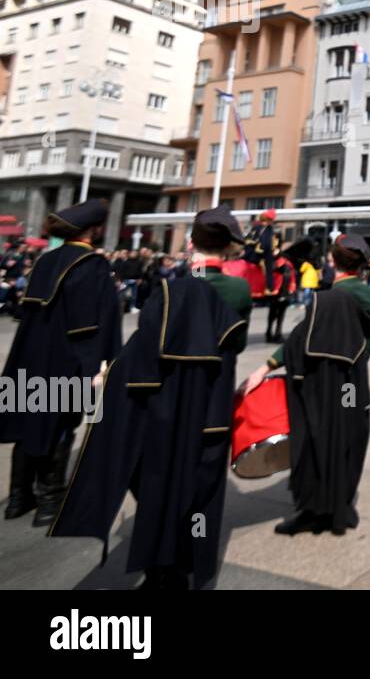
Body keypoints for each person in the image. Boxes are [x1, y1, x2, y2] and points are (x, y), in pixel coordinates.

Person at [52, 205, 252, 589]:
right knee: (199, 487)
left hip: (162, 401)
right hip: (209, 403)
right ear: (227, 248)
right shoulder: (238, 290)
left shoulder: (168, 288)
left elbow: (147, 341)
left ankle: (161, 564)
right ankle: (189, 560)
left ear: (191, 242)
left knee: (157, 479)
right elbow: (237, 343)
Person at [242, 234, 370, 535]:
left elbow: (298, 341)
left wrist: (265, 367)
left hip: (320, 385)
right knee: (347, 442)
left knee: (316, 442)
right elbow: (362, 346)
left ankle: (314, 509)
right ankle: (340, 507)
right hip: (353, 384)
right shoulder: (367, 295)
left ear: (333, 262)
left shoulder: (327, 298)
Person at [1, 199, 122, 526]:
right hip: (67, 359)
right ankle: (49, 503)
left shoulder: (45, 261)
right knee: (60, 424)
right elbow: (98, 322)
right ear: (94, 230)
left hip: (29, 357)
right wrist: (105, 364)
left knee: (28, 424)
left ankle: (17, 498)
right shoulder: (92, 265)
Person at [264, 251, 296, 342]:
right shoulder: (278, 263)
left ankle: (275, 333)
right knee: (275, 314)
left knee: (277, 314)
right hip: (279, 291)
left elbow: (291, 277)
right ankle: (272, 333)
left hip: (282, 291)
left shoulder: (286, 264)